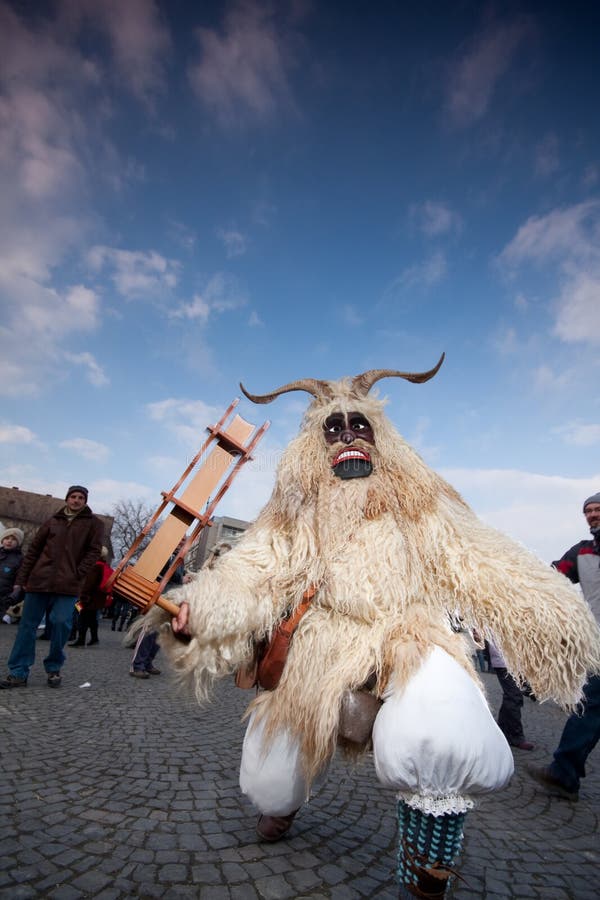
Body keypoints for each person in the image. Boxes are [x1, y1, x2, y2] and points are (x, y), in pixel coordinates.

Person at [149, 362, 599, 899]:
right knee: (269, 783)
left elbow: (479, 555)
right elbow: (253, 570)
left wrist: (557, 617)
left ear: (379, 435)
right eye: (333, 428)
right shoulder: (293, 509)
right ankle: (283, 805)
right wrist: (200, 610)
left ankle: (426, 869)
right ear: (315, 444)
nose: (347, 437)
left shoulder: (421, 501)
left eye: (358, 425)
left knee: (444, 728)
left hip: (405, 635)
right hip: (317, 645)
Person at [527, 492, 600, 801]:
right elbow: (553, 576)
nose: (592, 515)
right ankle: (564, 773)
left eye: (597, 509)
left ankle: (565, 773)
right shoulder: (582, 552)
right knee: (590, 707)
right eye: (588, 511)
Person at [0, 486, 104, 689]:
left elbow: (94, 552)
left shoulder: (94, 524)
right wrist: (22, 579)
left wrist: (78, 573)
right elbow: (34, 551)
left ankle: (54, 667)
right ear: (67, 499)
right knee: (27, 627)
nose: (76, 500)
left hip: (68, 584)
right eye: (73, 496)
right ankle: (18, 672)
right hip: (39, 581)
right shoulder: (53, 521)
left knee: (61, 623)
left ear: (85, 501)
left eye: (80, 497)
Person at [130, 542, 190, 679]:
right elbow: (164, 572)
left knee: (160, 633)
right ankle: (137, 665)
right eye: (180, 540)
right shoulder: (166, 553)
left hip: (169, 599)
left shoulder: (179, 557)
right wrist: (182, 579)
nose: (182, 543)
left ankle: (147, 662)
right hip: (159, 597)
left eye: (184, 541)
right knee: (149, 631)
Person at [488, 641, 535, 751]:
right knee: (514, 696)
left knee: (510, 697)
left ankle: (500, 731)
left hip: (514, 661)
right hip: (504, 660)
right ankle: (516, 737)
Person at [68, 547, 113, 647]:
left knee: (82, 618)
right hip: (97, 599)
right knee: (92, 619)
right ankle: (94, 638)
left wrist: (83, 596)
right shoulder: (104, 566)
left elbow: (89, 584)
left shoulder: (95, 566)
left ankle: (81, 640)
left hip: (88, 599)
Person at [0, 527, 24, 621]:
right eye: (7, 538)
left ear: (18, 543)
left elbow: (20, 579)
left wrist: (13, 596)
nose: (9, 541)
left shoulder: (20, 559)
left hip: (5, 598)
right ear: (2, 540)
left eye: (13, 539)